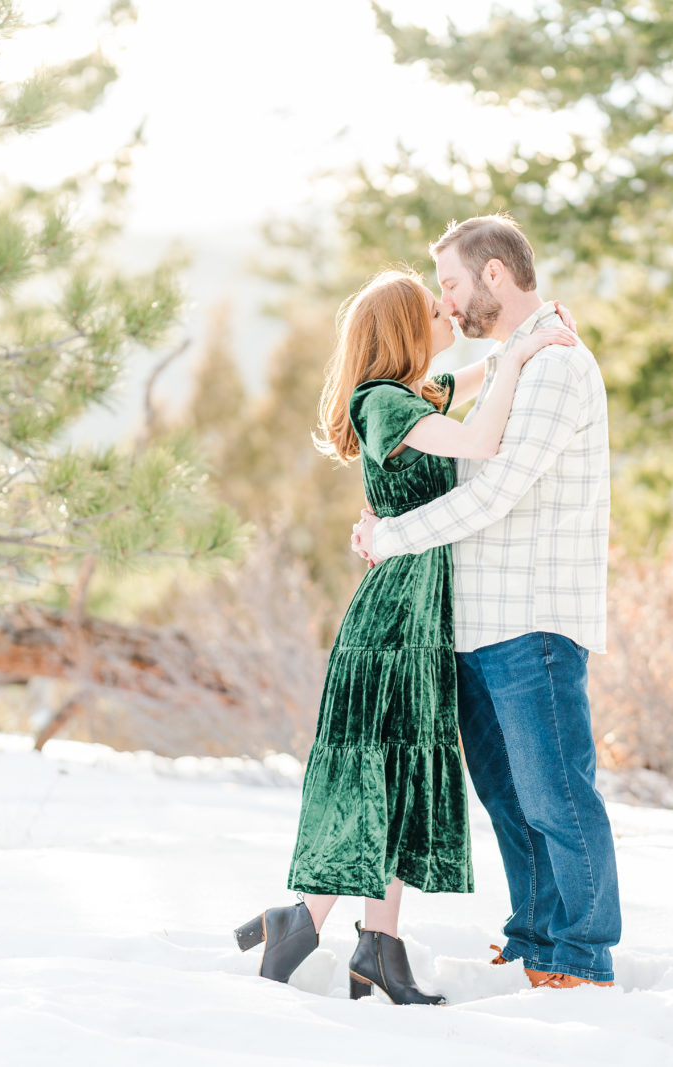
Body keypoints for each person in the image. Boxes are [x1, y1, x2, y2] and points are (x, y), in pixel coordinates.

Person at [233, 267, 576, 1005]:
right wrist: (521, 357)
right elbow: (483, 439)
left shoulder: (413, 396)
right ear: (404, 329)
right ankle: (308, 921)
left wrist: (529, 332)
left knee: (395, 778)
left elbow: (476, 377)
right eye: (432, 308)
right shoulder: (385, 403)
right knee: (374, 776)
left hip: (420, 619)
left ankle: (374, 946)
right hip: (392, 624)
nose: (445, 311)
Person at [352, 215, 621, 990]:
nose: (447, 302)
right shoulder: (517, 360)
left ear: (494, 275)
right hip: (480, 624)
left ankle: (582, 953)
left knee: (557, 794)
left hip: (533, 619)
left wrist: (394, 536)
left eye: (452, 285)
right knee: (510, 800)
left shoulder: (558, 367)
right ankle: (537, 938)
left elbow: (499, 490)